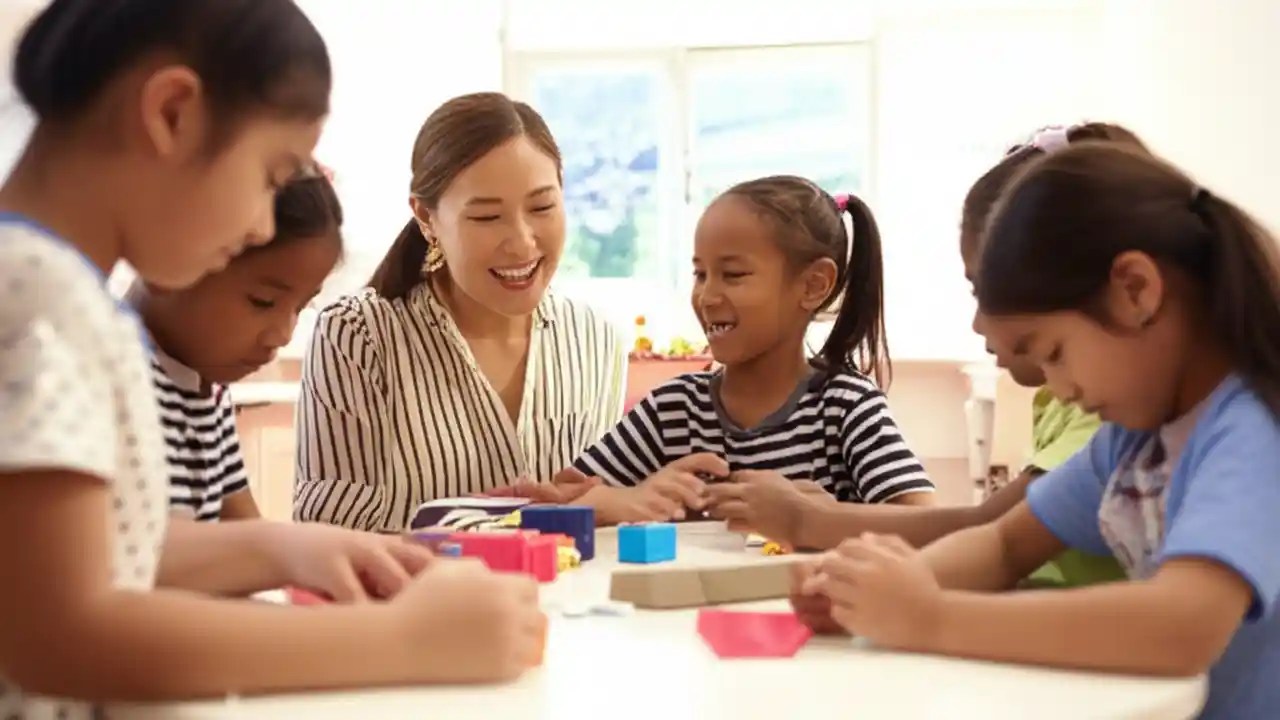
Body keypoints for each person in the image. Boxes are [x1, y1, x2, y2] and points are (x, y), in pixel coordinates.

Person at [0, 3, 541, 716]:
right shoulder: (42, 300)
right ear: (172, 114)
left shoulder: (47, 287)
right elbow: (55, 631)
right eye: (270, 174)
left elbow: (100, 555)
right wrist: (399, 641)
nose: (261, 222)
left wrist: (286, 547)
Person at [794, 144, 1280, 719]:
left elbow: (1184, 625)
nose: (1056, 386)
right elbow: (1004, 543)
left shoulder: (1252, 428)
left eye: (1053, 353)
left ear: (1136, 290)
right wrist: (873, 593)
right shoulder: (1134, 438)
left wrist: (929, 617)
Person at [698, 126, 1134, 591]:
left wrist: (815, 522)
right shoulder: (1086, 410)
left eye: (989, 292)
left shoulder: (1119, 415)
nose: (979, 325)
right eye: (699, 273)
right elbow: (1003, 544)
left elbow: (992, 531)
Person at [294, 92, 626, 533]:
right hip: (419, 602)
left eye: (542, 207)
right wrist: (501, 516)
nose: (523, 241)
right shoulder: (358, 335)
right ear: (426, 218)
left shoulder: (594, 339)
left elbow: (604, 521)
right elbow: (328, 527)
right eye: (487, 217)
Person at [568, 176, 935, 526]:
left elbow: (923, 523)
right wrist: (622, 500)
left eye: (733, 275)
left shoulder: (843, 407)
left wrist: (817, 519)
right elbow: (559, 498)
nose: (707, 296)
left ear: (813, 285)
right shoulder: (674, 409)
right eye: (700, 274)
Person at [131, 174, 343, 522]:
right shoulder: (124, 383)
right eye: (263, 301)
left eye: (301, 308)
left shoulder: (208, 388)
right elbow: (158, 556)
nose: (284, 334)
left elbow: (245, 528)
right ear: (176, 261)